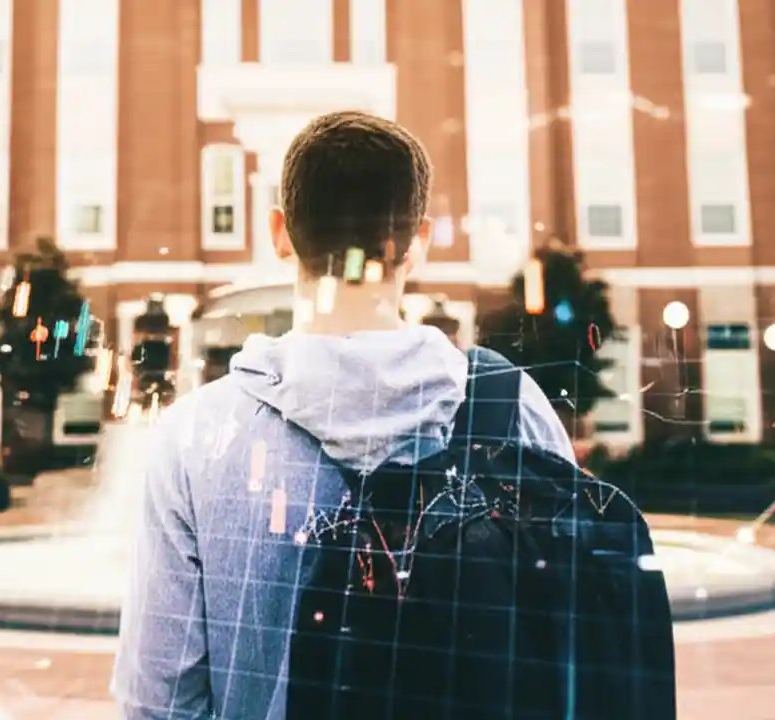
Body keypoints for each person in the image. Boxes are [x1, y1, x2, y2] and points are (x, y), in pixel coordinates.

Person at [112, 110, 579, 719]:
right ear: (418, 242)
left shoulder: (195, 435)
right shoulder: (511, 409)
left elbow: (159, 700)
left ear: (280, 233)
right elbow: (573, 638)